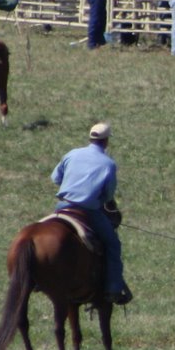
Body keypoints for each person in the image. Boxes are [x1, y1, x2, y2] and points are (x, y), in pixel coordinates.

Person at [51, 122, 132, 305]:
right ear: (106, 142)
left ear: (90, 138)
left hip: (62, 208)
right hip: (87, 211)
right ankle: (113, 289)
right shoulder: (108, 164)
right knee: (113, 244)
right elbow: (108, 195)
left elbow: (56, 177)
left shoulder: (72, 154)